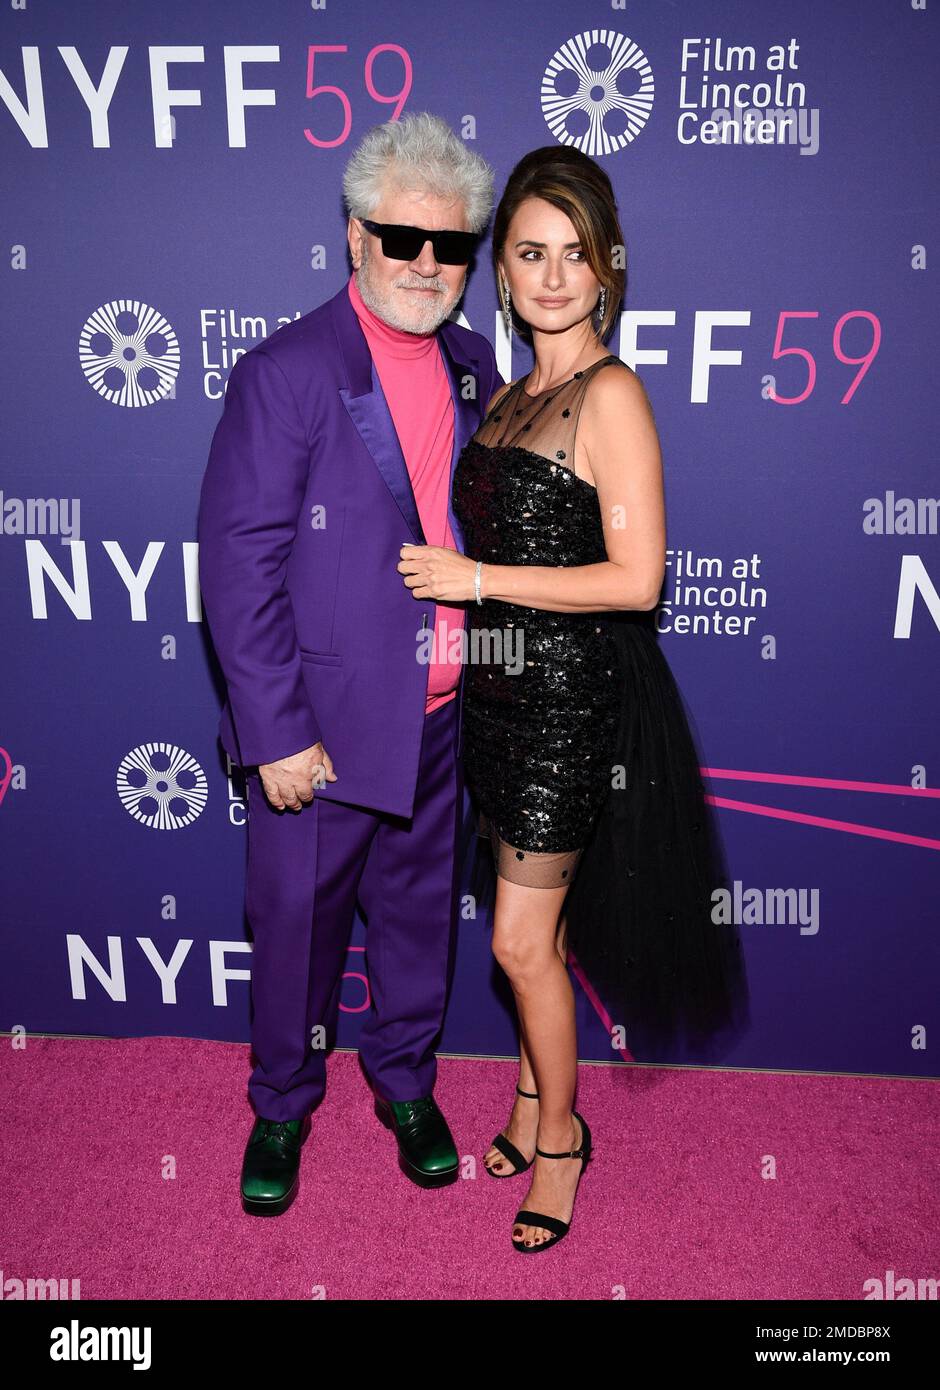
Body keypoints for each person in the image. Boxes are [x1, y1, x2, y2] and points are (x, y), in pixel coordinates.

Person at [398, 145, 749, 1251]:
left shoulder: (612, 394)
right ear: (500, 272)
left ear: (607, 271)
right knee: (531, 936)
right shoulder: (512, 395)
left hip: (568, 711)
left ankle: (562, 1138)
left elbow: (635, 580)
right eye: (529, 254)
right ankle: (519, 1101)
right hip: (496, 702)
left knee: (517, 944)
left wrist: (478, 580)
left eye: (574, 256)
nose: (552, 277)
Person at [197, 112, 502, 1215]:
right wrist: (273, 731)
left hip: (438, 720)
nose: (428, 264)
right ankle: (281, 1105)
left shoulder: (473, 363)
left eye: (452, 246)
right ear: (354, 239)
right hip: (318, 732)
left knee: (420, 927)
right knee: (294, 936)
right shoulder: (286, 370)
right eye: (402, 237)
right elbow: (238, 566)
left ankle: (405, 1084)